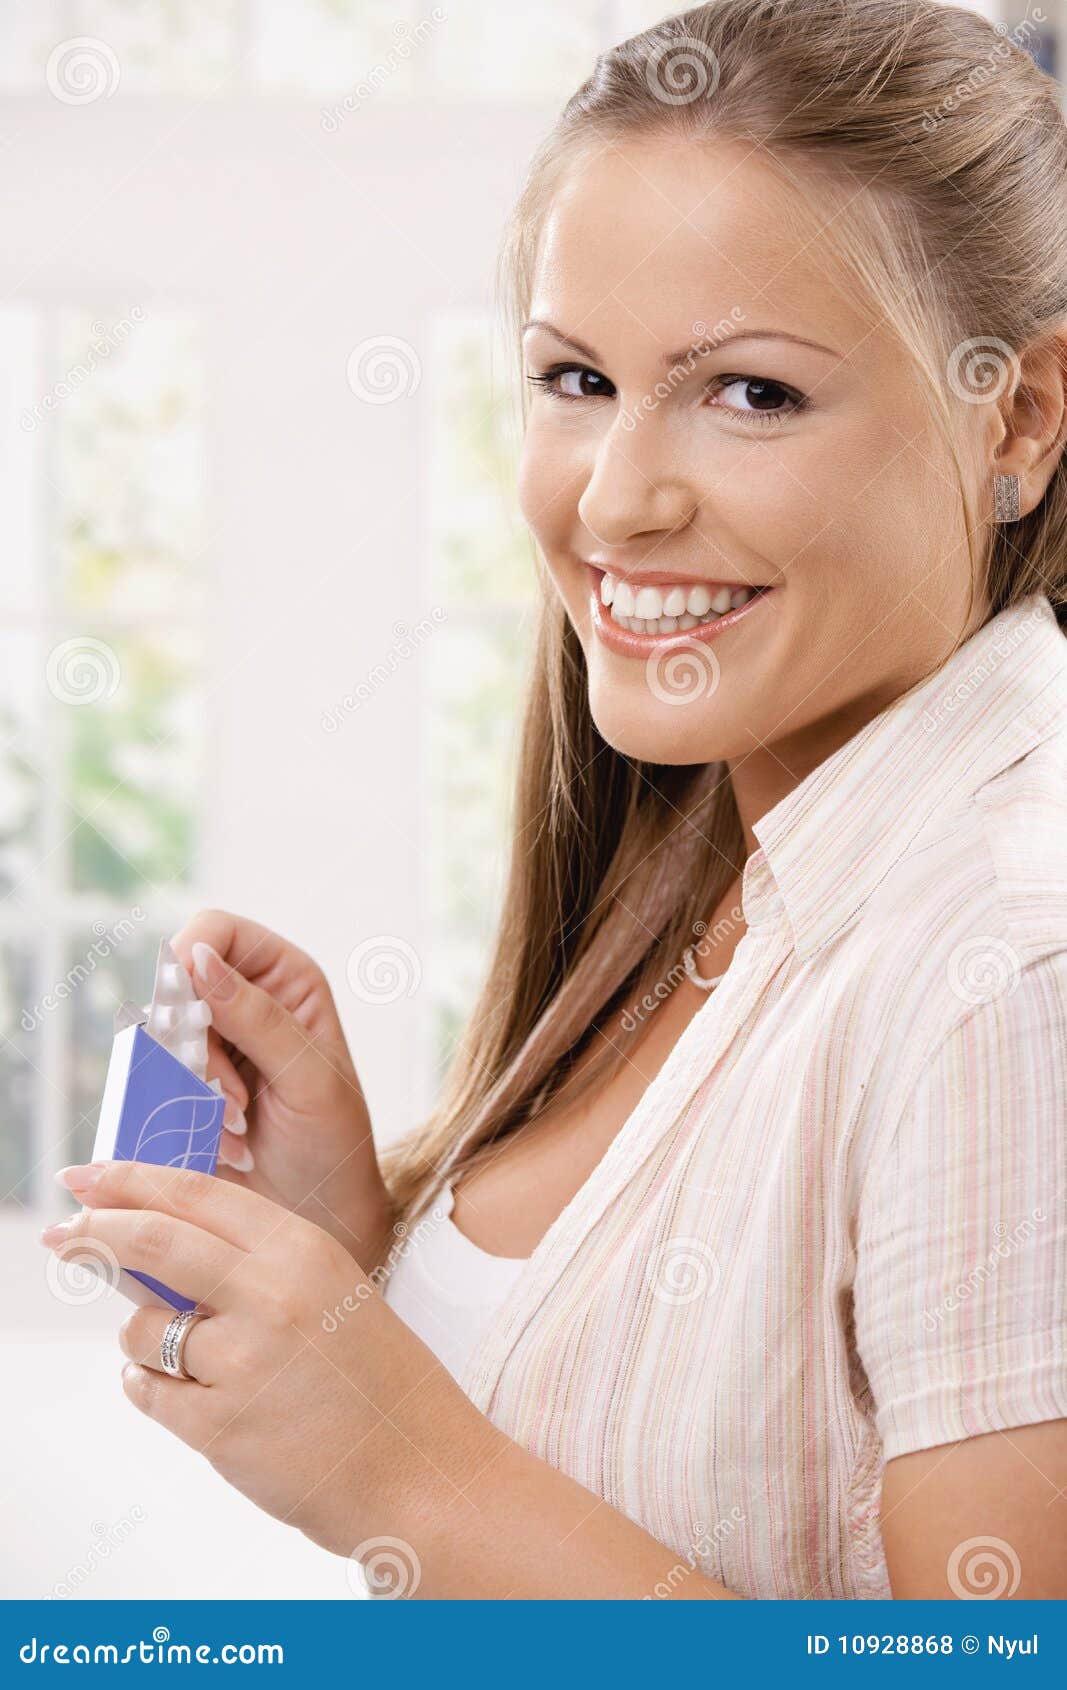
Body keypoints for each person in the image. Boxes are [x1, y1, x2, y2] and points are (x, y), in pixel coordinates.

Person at [45, 0, 1067, 1599]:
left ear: (1018, 413)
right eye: (576, 376)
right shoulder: (721, 855)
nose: (613, 498)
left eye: (750, 394)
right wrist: (359, 1252)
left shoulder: (1011, 967)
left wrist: (395, 1463)